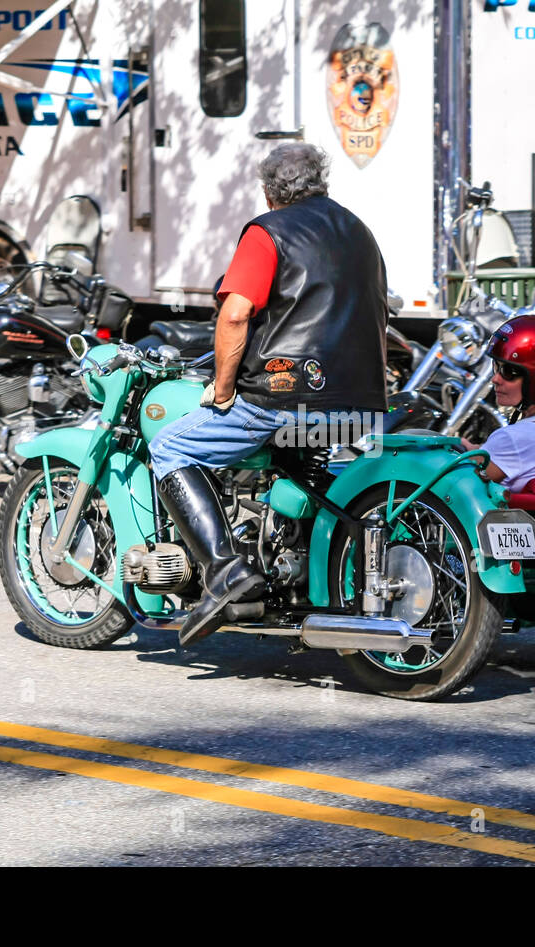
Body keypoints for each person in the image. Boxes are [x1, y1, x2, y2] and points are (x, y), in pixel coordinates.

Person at [148, 143, 388, 646]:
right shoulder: (360, 232)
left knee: (171, 446)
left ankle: (223, 570)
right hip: (361, 403)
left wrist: (223, 387)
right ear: (321, 184)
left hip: (284, 397)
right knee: (300, 467)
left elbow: (235, 314)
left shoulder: (268, 231)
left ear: (269, 191)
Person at [460, 315, 535, 489]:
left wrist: (460, 451)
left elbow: (464, 483)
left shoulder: (514, 437)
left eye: (509, 372)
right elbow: (520, 458)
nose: (495, 379)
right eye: (497, 366)